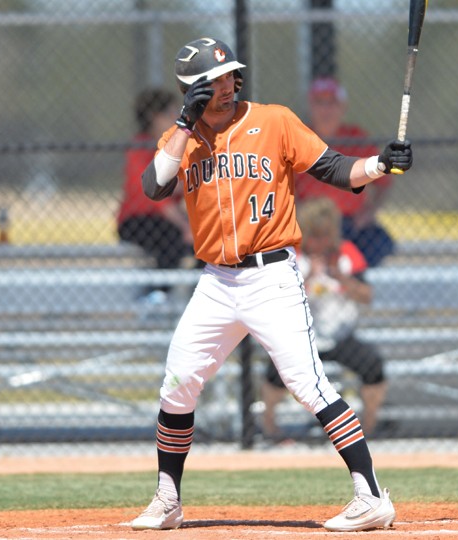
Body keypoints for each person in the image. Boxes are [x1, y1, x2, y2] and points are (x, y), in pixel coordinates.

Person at [130, 37, 411, 532]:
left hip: (272, 276)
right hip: (216, 281)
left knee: (309, 384)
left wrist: (379, 165)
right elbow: (155, 186)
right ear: (192, 88)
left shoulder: (274, 120)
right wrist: (181, 123)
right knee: (176, 386)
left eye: (231, 75)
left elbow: (335, 169)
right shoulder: (185, 139)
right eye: (215, 79)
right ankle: (167, 499)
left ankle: (370, 496)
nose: (228, 84)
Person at [261, 197, 387, 439]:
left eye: (326, 236)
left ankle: (367, 429)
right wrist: (307, 278)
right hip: (302, 338)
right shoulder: (291, 257)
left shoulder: (346, 255)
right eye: (315, 236)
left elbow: (367, 296)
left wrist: (341, 278)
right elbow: (277, 299)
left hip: (340, 337)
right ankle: (270, 428)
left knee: (373, 366)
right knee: (274, 370)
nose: (321, 243)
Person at [295, 77, 397, 267]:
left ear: (342, 107)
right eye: (319, 103)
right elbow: (285, 186)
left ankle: (353, 278)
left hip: (350, 224)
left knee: (382, 243)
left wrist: (368, 213)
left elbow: (384, 183)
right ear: (310, 107)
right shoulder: (299, 137)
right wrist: (298, 213)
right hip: (310, 224)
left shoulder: (357, 138)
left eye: (331, 103)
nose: (326, 110)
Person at [116, 88, 194, 302]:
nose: (175, 118)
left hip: (166, 219)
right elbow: (159, 198)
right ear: (153, 117)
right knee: (173, 238)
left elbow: (184, 183)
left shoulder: (174, 146)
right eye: (169, 113)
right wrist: (186, 227)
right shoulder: (141, 147)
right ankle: (155, 296)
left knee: (204, 242)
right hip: (138, 221)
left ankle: (189, 294)